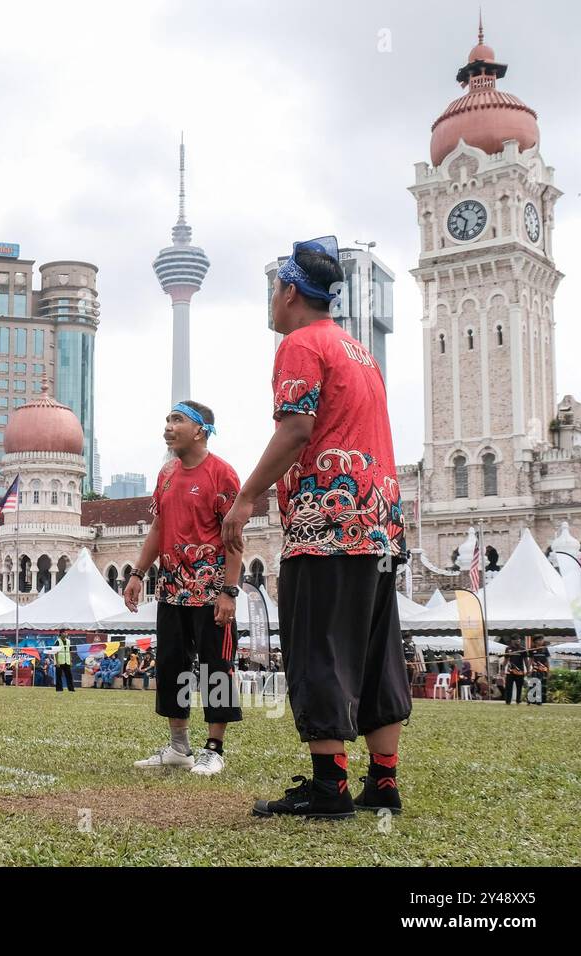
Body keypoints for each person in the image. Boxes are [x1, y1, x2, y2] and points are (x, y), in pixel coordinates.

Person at [223, 237, 410, 819]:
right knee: (375, 651)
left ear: (288, 291)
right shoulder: (360, 352)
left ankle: (330, 788)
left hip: (326, 522)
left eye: (274, 289)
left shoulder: (301, 344)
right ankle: (383, 781)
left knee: (320, 648)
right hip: (380, 522)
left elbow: (296, 429)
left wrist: (246, 497)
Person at [126, 400, 243, 777]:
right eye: (167, 419)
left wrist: (229, 590)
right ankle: (179, 747)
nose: (168, 426)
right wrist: (138, 573)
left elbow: (234, 538)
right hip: (171, 589)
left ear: (200, 430)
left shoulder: (222, 474)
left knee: (216, 669)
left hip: (211, 592)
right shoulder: (166, 474)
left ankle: (214, 750)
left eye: (177, 420)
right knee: (172, 667)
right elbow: (158, 528)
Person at [504, 637, 527, 705]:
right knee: (508, 686)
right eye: (516, 639)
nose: (518, 640)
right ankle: (508, 701)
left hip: (520, 671)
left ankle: (518, 700)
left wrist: (528, 669)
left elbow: (526, 660)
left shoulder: (522, 649)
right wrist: (502, 669)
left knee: (519, 687)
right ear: (512, 641)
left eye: (519, 639)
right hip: (510, 671)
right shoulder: (508, 649)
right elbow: (506, 660)